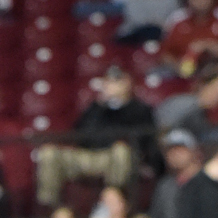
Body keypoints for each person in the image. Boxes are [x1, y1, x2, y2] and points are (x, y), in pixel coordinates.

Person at [34, 64, 155, 207]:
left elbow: (143, 139)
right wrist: (101, 106)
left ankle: (113, 206)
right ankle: (49, 212)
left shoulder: (139, 109)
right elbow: (81, 135)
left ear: (128, 83)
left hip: (113, 158)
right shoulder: (95, 108)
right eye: (108, 81)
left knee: (121, 151)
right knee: (49, 153)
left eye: (117, 81)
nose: (112, 85)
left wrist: (121, 106)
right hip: (87, 156)